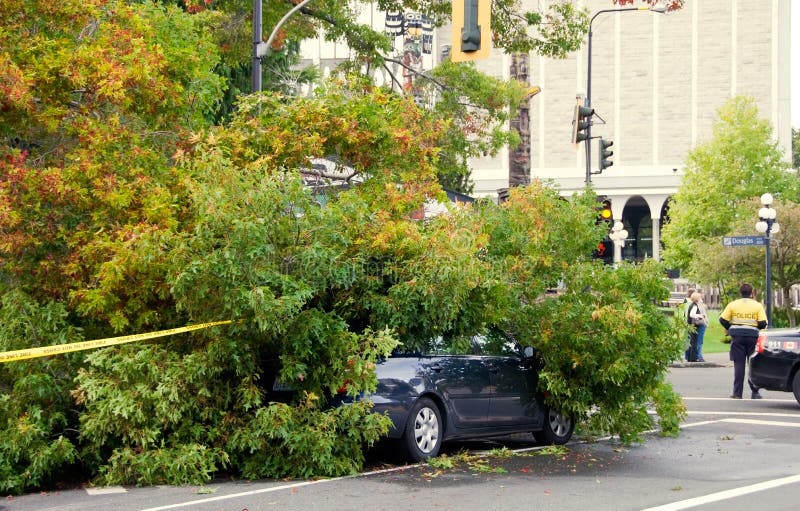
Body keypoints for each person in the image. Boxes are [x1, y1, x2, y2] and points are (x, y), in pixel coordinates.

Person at [719, 283, 767, 399]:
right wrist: (755, 329)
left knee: (739, 365)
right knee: (752, 365)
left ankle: (737, 393)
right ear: (751, 293)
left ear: (740, 292)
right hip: (752, 337)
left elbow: (722, 319)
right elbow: (763, 323)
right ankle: (755, 392)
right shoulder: (757, 305)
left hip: (737, 337)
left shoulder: (733, 304)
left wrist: (730, 328)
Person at [686, 291, 708, 362]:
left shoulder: (692, 305)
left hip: (691, 325)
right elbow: (692, 314)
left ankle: (691, 357)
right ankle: (696, 357)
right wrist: (700, 316)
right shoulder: (695, 305)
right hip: (695, 325)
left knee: (692, 341)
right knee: (696, 341)